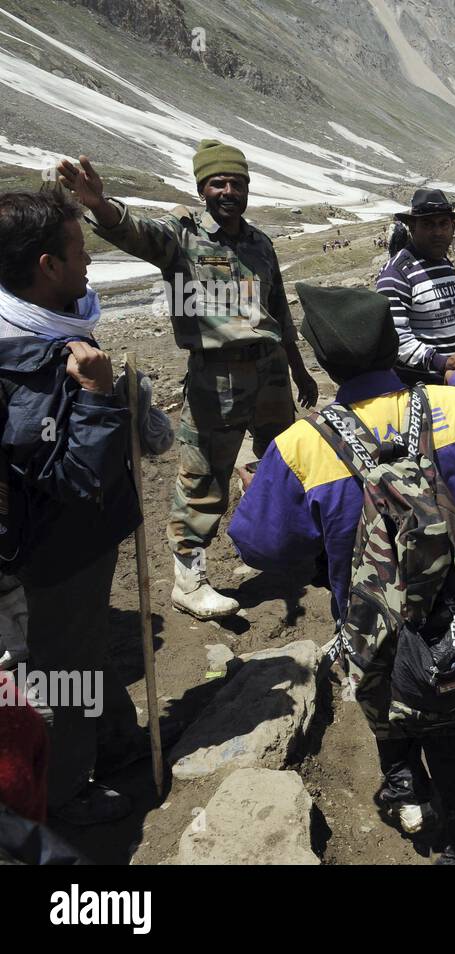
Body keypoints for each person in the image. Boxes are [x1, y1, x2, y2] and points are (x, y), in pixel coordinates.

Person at [228, 283, 455, 863]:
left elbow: (258, 545)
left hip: (370, 617)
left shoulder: (302, 445)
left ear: (322, 360)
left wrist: (282, 510)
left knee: (379, 688)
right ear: (394, 343)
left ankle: (401, 783)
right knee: (453, 730)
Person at [58, 142, 319, 620]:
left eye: (237, 183)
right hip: (217, 377)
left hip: (271, 372)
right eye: (219, 183)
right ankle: (188, 578)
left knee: (284, 459)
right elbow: (133, 232)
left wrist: (298, 368)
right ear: (203, 188)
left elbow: (278, 310)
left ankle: (288, 540)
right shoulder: (181, 237)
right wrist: (97, 203)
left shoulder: (260, 243)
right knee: (203, 479)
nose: (228, 191)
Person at [0, 188, 172, 824]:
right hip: (58, 549)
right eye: (80, 251)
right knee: (66, 670)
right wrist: (101, 398)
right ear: (47, 266)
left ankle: (117, 739)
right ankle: (67, 790)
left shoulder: (51, 327)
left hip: (80, 545)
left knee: (89, 645)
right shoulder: (24, 361)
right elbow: (75, 477)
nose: (92, 263)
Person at [376, 189, 455, 387]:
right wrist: (442, 363)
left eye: (443, 223)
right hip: (421, 388)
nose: (438, 232)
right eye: (428, 224)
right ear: (412, 227)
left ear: (453, 226)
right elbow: (397, 339)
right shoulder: (396, 274)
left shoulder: (445, 263)